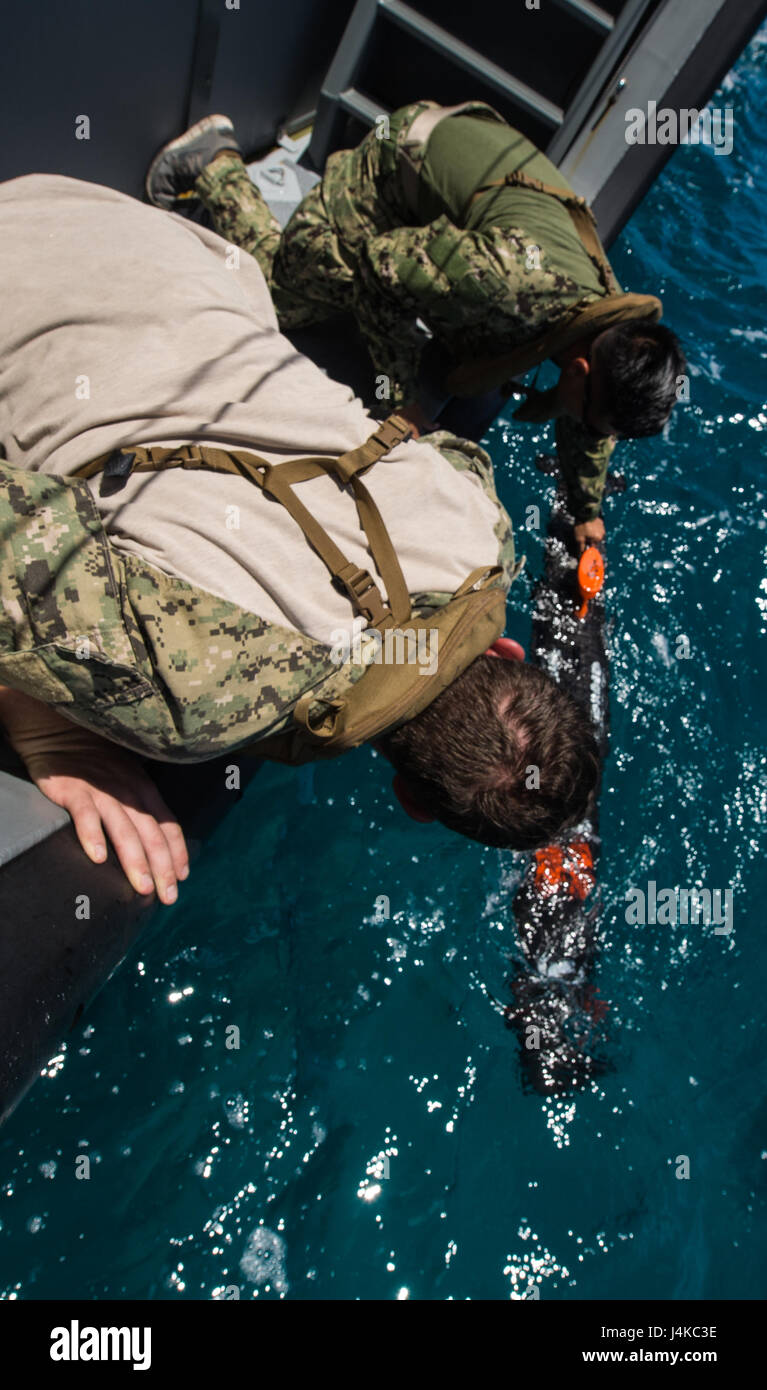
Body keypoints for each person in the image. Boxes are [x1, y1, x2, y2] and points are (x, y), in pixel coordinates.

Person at [0, 172, 599, 905]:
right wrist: (53, 723)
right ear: (411, 797)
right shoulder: (196, 695)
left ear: (509, 651)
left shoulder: (479, 524)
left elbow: (455, 455)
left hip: (133, 232)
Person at [146, 103, 687, 553]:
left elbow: (591, 411)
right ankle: (214, 160)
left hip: (457, 201)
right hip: (392, 172)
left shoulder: (607, 323)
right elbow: (382, 268)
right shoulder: (515, 283)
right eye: (593, 424)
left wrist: (586, 510)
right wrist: (406, 401)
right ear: (578, 368)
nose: (590, 434)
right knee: (282, 296)